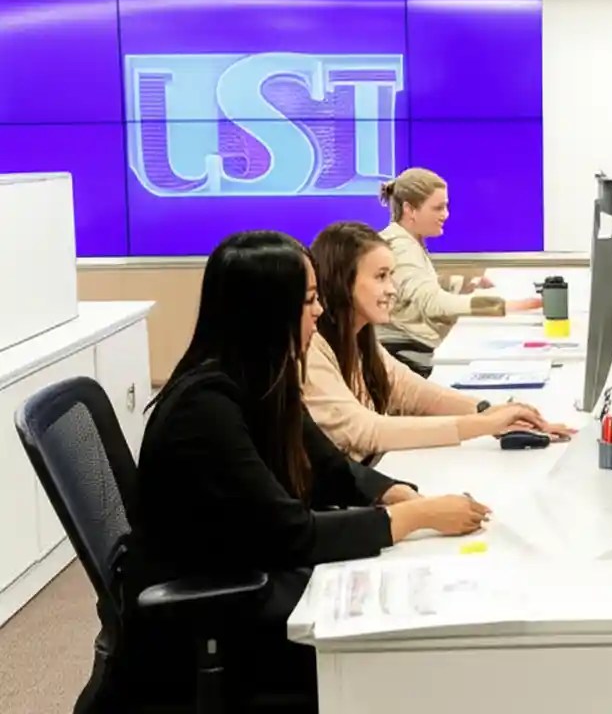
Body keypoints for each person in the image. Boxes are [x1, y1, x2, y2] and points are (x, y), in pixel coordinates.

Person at [133, 230, 493, 707]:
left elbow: (330, 467)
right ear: (267, 311)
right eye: (307, 301)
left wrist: (397, 495)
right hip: (217, 603)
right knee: (402, 642)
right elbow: (289, 534)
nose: (320, 311)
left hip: (252, 568)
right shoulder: (205, 409)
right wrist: (415, 520)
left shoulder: (265, 375)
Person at [305, 221, 575, 464]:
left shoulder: (361, 337)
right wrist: (484, 423)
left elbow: (412, 391)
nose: (392, 289)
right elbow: (366, 432)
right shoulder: (312, 348)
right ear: (343, 281)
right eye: (380, 276)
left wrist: (491, 411)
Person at [375, 167, 543, 376]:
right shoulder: (401, 247)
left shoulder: (404, 241)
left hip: (408, 352)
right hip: (409, 360)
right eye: (438, 208)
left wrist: (463, 283)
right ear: (410, 210)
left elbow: (413, 288)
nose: (446, 214)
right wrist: (503, 306)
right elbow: (433, 303)